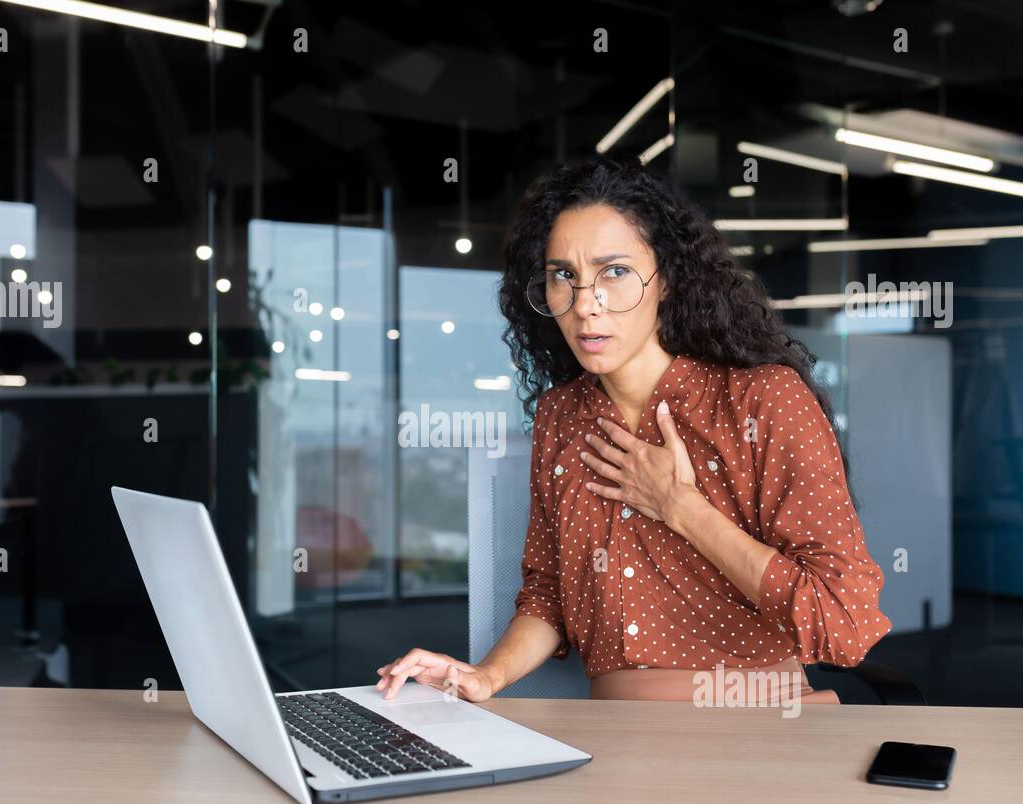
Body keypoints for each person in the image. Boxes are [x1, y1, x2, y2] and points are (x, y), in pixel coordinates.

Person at [376, 154, 891, 705]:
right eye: (563, 276)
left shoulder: (762, 400)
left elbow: (844, 623)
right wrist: (486, 676)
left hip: (760, 723)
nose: (585, 305)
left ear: (666, 279)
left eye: (615, 272)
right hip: (616, 734)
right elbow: (549, 596)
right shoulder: (560, 417)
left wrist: (682, 507)